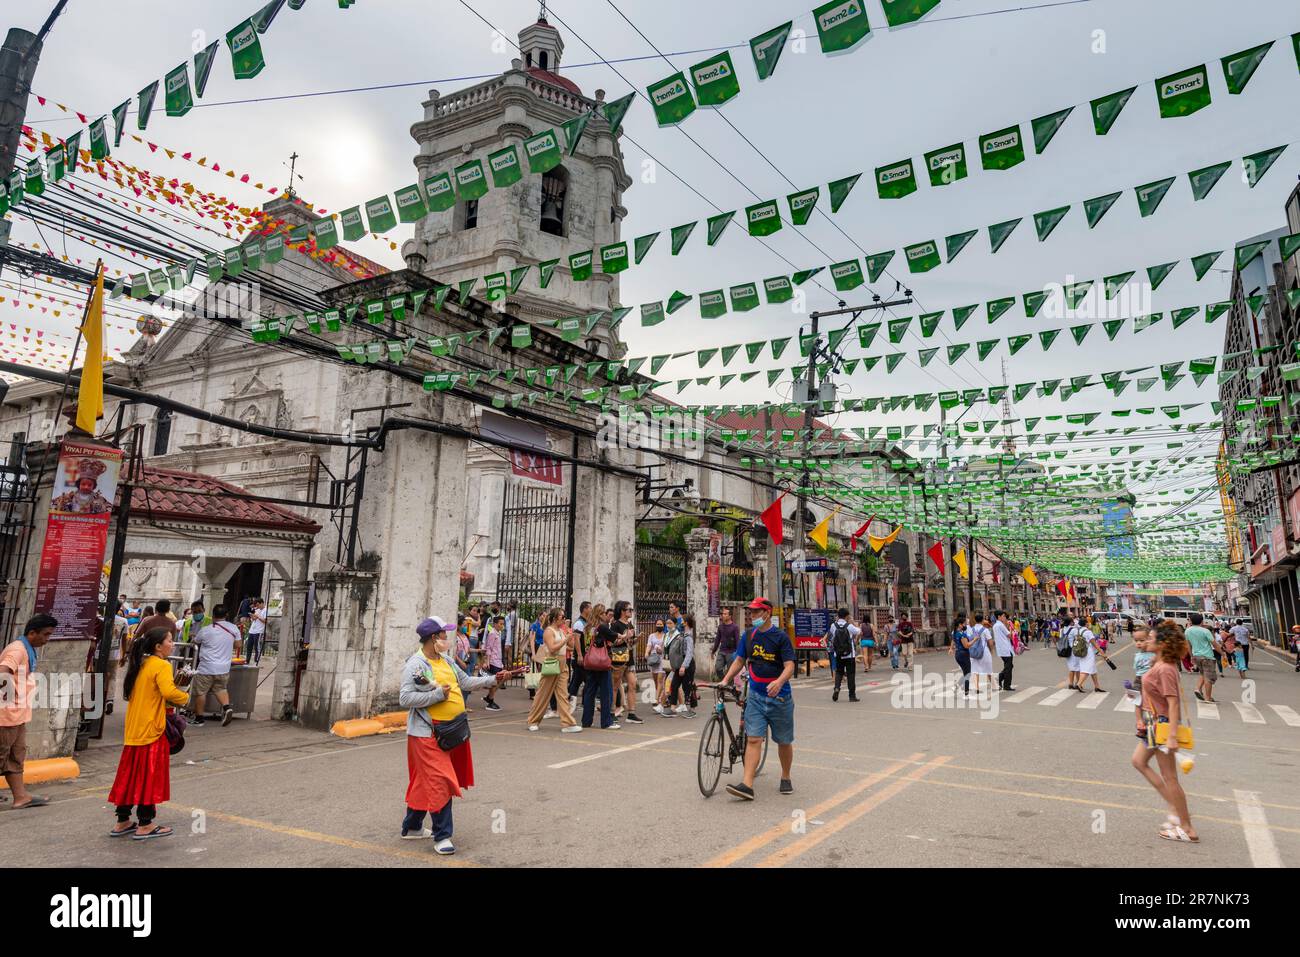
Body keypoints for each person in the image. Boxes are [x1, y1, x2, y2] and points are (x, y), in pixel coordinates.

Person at [400, 616, 514, 853]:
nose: (446, 638)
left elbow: (465, 682)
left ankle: (412, 827)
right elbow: (405, 698)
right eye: (444, 635)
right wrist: (436, 696)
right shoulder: (416, 664)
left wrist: (495, 678)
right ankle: (443, 836)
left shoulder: (447, 660)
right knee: (440, 780)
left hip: (451, 731)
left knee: (425, 780)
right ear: (433, 638)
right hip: (427, 733)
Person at [108, 626, 190, 839]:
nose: (172, 644)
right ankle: (146, 823)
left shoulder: (141, 664)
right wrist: (187, 697)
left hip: (134, 729)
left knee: (129, 776)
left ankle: (122, 820)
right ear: (158, 646)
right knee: (148, 777)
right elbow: (168, 692)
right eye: (170, 640)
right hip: (152, 729)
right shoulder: (161, 665)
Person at [720, 597, 795, 800]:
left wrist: (779, 682)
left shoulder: (780, 637)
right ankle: (747, 785)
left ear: (767, 613)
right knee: (753, 739)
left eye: (755, 612)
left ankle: (786, 776)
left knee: (784, 741)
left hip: (780, 698)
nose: (752, 616)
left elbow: (789, 666)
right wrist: (725, 679)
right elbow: (739, 660)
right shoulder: (748, 636)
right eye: (750, 612)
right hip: (755, 696)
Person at [1132, 620, 1198, 843]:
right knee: (1138, 762)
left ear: (1162, 643)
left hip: (1163, 725)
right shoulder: (1158, 664)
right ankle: (1173, 806)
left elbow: (1174, 703)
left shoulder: (1166, 669)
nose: (1146, 641)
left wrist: (1171, 735)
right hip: (1153, 724)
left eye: (1151, 638)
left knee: (1170, 777)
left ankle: (1187, 827)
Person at [0, 613, 57, 809]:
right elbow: (2, 673)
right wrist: (7, 700)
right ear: (32, 633)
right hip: (6, 716)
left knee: (15, 757)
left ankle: (21, 797)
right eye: (46, 635)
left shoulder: (28, 648)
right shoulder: (17, 650)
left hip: (17, 716)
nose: (47, 639)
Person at [526, 608, 581, 733]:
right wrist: (565, 640)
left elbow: (570, 647)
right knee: (543, 694)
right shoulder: (548, 631)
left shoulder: (561, 630)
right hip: (552, 663)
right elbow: (552, 648)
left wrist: (570, 638)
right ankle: (533, 720)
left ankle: (568, 724)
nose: (564, 618)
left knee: (563, 695)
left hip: (562, 664)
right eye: (562, 617)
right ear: (555, 618)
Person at [189, 604, 242, 727]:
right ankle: (227, 708)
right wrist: (226, 645)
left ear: (213, 615)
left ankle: (199, 718)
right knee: (220, 688)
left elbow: (195, 641)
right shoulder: (233, 628)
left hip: (206, 668)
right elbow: (238, 645)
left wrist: (193, 637)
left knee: (201, 692)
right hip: (224, 668)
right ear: (227, 615)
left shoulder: (206, 630)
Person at [580, 604, 618, 729]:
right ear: (599, 614)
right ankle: (606, 722)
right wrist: (625, 636)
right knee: (606, 692)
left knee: (589, 692)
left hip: (590, 662)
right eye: (603, 613)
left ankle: (586, 721)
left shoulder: (587, 627)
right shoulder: (601, 626)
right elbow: (614, 637)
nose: (605, 616)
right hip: (601, 662)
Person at [609, 600, 642, 724]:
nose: (631, 612)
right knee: (615, 686)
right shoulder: (615, 625)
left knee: (632, 684)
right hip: (618, 659)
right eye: (629, 610)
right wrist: (625, 637)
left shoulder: (630, 625)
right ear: (622, 611)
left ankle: (631, 713)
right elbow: (612, 642)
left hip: (629, 659)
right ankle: (611, 712)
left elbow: (630, 644)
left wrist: (635, 640)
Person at [825, 608, 861, 702]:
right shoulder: (849, 626)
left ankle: (837, 688)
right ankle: (852, 696)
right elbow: (858, 631)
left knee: (839, 672)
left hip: (838, 654)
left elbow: (831, 635)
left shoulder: (833, 625)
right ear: (847, 616)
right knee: (851, 674)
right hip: (849, 655)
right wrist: (853, 623)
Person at [665, 614, 697, 717]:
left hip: (687, 664)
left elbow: (689, 653)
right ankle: (673, 708)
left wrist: (684, 666)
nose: (680, 622)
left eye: (682, 620)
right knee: (674, 685)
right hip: (680, 663)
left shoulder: (689, 636)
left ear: (686, 622)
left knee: (688, 687)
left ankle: (692, 709)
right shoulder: (683, 634)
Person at [1185, 613, 1219, 704]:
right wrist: (1222, 653)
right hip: (1207, 657)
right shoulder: (1205, 631)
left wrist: (1191, 656)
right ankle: (1208, 697)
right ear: (1202, 621)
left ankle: (1198, 688)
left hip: (1196, 656)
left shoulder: (1187, 631)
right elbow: (1214, 644)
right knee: (1208, 678)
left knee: (1203, 673)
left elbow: (1188, 645)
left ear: (1191, 621)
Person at [568, 600, 591, 710]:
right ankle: (572, 703)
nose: (591, 610)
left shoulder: (586, 622)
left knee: (578, 681)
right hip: (580, 657)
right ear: (585, 609)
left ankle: (575, 702)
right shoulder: (579, 623)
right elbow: (577, 639)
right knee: (581, 681)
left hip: (585, 657)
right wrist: (580, 655)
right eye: (589, 608)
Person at [966, 613, 995, 695]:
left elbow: (969, 639)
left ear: (975, 620)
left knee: (975, 670)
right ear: (982, 620)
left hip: (974, 652)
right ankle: (993, 685)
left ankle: (977, 688)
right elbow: (990, 641)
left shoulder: (971, 629)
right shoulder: (985, 630)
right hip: (984, 652)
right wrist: (992, 650)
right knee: (988, 669)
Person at [481, 615, 506, 711]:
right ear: (495, 624)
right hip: (493, 661)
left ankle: (489, 697)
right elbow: (489, 648)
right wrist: (487, 661)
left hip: (498, 661)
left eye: (503, 624)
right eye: (500, 624)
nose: (502, 626)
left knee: (498, 681)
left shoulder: (498, 633)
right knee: (495, 682)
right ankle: (490, 701)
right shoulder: (492, 634)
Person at [712, 606, 740, 682]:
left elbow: (738, 641)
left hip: (731, 652)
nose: (723, 615)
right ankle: (724, 682)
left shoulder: (735, 627)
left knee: (730, 672)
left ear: (730, 616)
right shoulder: (720, 627)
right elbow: (717, 640)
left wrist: (739, 654)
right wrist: (713, 651)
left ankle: (730, 688)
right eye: (722, 614)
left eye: (725, 614)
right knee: (718, 668)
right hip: (722, 651)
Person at [646, 620, 668, 714]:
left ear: (663, 626)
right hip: (654, 659)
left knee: (660, 679)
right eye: (657, 624)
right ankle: (661, 697)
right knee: (655, 680)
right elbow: (649, 646)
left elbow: (666, 647)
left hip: (662, 659)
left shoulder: (666, 635)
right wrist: (646, 653)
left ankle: (656, 699)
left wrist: (661, 650)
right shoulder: (651, 636)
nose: (659, 625)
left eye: (661, 624)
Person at [993, 610, 1016, 692]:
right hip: (1006, 649)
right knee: (1008, 667)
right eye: (1003, 616)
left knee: (1009, 666)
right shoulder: (1000, 625)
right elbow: (1010, 636)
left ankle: (1000, 679)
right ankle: (1005, 684)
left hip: (1001, 649)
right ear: (999, 617)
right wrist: (1010, 628)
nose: (1005, 617)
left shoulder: (995, 625)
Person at [950, 614, 971, 697]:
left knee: (966, 673)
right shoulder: (962, 634)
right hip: (964, 654)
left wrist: (951, 648)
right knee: (968, 673)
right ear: (960, 625)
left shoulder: (955, 632)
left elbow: (953, 640)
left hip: (958, 654)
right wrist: (975, 640)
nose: (965, 625)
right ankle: (966, 693)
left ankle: (957, 686)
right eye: (964, 624)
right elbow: (967, 645)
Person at [245, 598, 267, 666]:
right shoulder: (257, 610)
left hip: (259, 631)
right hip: (252, 630)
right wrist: (252, 616)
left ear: (261, 603)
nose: (257, 607)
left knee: (257, 646)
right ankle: (247, 660)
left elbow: (265, 621)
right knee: (249, 646)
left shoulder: (266, 610)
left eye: (258, 605)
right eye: (256, 605)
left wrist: (258, 616)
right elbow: (254, 619)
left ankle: (256, 661)